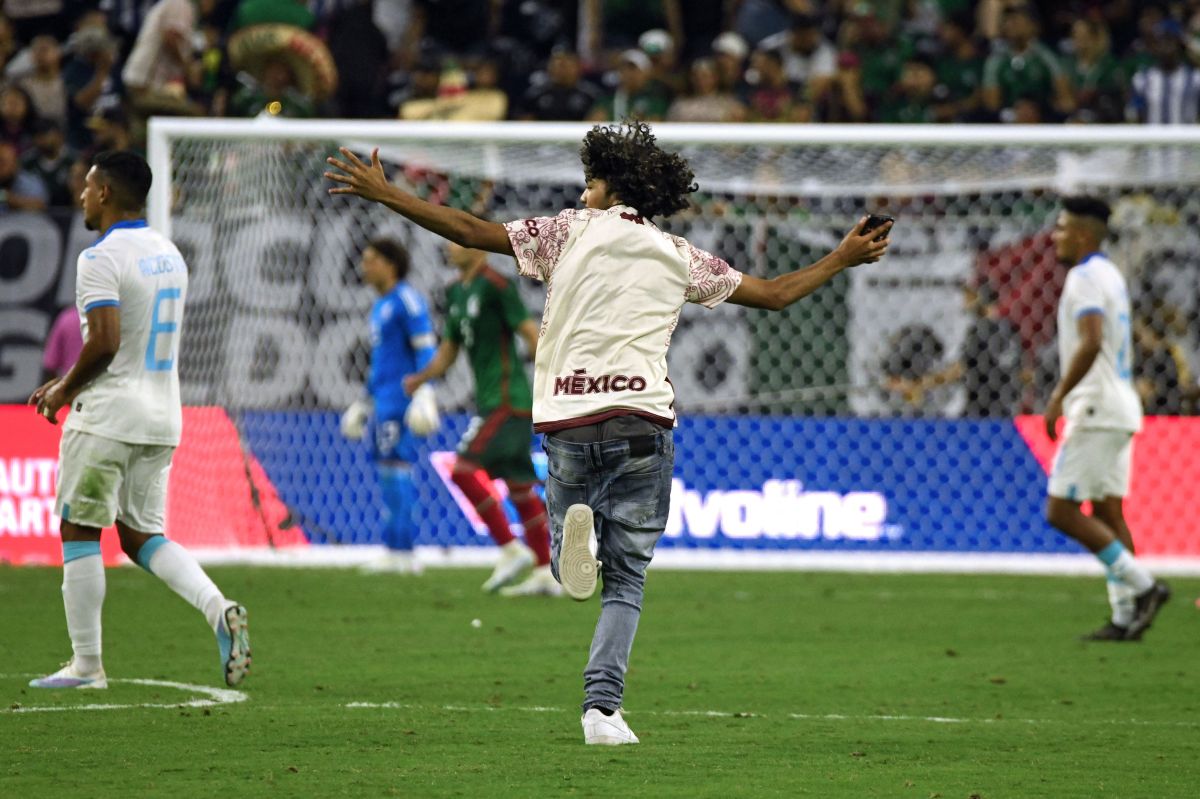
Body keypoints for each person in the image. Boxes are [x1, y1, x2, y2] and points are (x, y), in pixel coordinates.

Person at [325, 120, 890, 745]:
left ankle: (574, 541)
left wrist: (388, 195)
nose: (583, 189)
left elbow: (467, 231)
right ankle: (602, 711)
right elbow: (776, 294)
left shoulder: (565, 232)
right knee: (626, 580)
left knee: (574, 551)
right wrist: (842, 256)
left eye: (589, 180)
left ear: (608, 187)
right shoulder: (679, 254)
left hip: (567, 420)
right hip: (644, 420)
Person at [27, 150, 250, 690]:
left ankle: (86, 665)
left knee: (79, 527)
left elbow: (104, 342)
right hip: (161, 416)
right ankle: (216, 607)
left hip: (107, 415)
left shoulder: (100, 257)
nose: (80, 194)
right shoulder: (169, 252)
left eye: (86, 185)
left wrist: (62, 389)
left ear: (105, 193)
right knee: (139, 533)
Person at [1044, 195, 1170, 642]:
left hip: (1095, 405)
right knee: (1107, 511)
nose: (1054, 236)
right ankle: (1125, 617)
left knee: (1060, 510)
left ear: (1080, 234)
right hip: (1121, 404)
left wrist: (1059, 395)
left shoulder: (1082, 278)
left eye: (1061, 228)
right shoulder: (1111, 273)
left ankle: (1145, 587)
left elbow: (1092, 339)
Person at [404, 243, 557, 596]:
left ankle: (509, 547)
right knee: (519, 485)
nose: (448, 245)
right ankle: (544, 571)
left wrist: (551, 374)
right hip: (493, 400)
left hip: (508, 399)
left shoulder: (497, 285)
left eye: (458, 239)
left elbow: (530, 334)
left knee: (462, 469)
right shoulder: (457, 292)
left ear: (478, 248)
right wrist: (420, 379)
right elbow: (448, 351)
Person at [340, 238, 439, 575]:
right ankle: (396, 550)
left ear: (390, 264)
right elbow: (381, 362)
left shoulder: (406, 301)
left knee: (396, 468)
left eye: (370, 260)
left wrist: (425, 393)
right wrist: (363, 403)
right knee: (388, 468)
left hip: (401, 401)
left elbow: (426, 347)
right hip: (382, 400)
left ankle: (403, 552)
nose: (363, 266)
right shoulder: (381, 305)